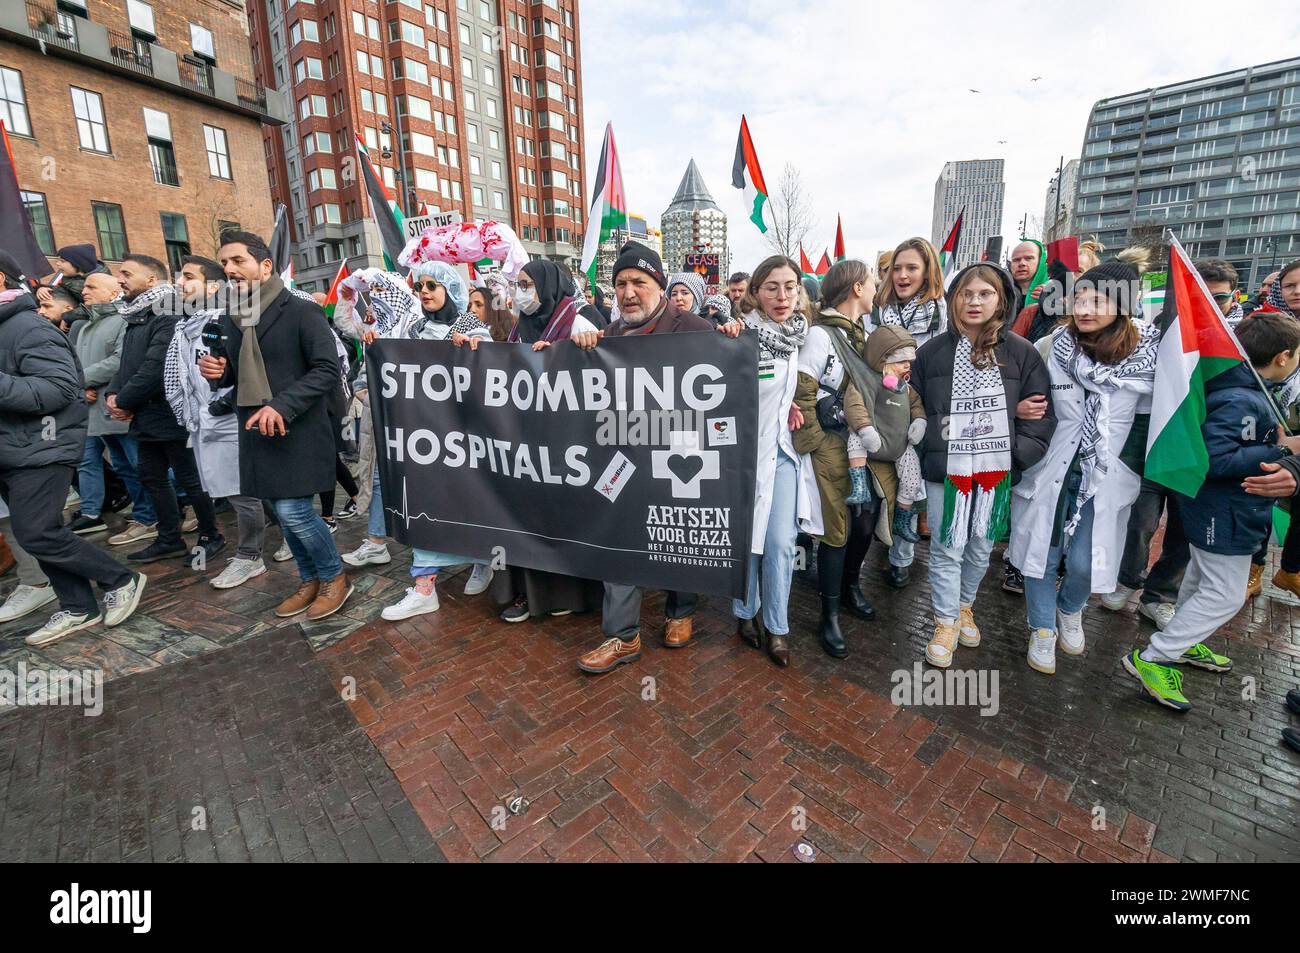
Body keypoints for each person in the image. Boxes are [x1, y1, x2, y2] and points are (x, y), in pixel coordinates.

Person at [1122, 312, 1300, 711]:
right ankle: (1155, 657)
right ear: (1284, 356)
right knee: (1225, 595)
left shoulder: (1243, 388)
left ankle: (1183, 642)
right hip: (1227, 511)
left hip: (1224, 510)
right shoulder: (1243, 397)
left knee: (1200, 581)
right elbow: (1216, 459)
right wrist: (1282, 450)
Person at [572, 241, 715, 675]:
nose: (628, 291)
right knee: (618, 531)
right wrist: (567, 351)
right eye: (620, 283)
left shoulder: (697, 329)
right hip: (625, 455)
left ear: (659, 283)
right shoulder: (607, 337)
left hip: (681, 454)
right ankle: (622, 635)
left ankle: (680, 610)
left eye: (639, 281)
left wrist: (732, 343)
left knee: (679, 531)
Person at [1010, 261, 1158, 676]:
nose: (1085, 308)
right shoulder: (1053, 347)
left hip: (1104, 479)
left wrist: (1131, 471)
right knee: (1042, 552)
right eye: (1080, 298)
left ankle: (1070, 608)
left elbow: (1151, 423)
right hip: (1052, 469)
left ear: (1125, 305)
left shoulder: (1148, 355)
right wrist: (1018, 409)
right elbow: (1024, 394)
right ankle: (1041, 629)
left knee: (1083, 562)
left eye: (1099, 300)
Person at [197, 231, 352, 621]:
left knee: (296, 512)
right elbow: (239, 371)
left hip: (297, 428)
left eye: (238, 260)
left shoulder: (301, 311)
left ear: (265, 266)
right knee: (283, 514)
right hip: (255, 430)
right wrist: (218, 372)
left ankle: (335, 578)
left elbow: (326, 370)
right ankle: (309, 580)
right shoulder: (233, 317)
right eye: (225, 263)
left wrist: (282, 405)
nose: (229, 269)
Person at [0, 249, 145, 646]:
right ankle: (78, 605)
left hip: (43, 446)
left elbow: (58, 390)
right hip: (14, 449)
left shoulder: (28, 328)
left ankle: (122, 578)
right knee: (37, 532)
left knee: (36, 532)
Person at [914, 264, 1055, 668]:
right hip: (947, 472)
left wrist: (1013, 456)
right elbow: (915, 409)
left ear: (1002, 300)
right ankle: (944, 622)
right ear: (953, 299)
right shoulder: (932, 353)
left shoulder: (1022, 352)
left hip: (995, 473)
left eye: (984, 294)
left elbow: (1041, 417)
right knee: (946, 548)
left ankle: (964, 607)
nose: (974, 302)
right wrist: (928, 452)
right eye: (965, 293)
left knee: (979, 549)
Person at [1105, 259, 1242, 625]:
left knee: (1183, 527)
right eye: (1199, 297)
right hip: (1152, 437)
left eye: (1219, 297)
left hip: (1202, 444)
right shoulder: (1158, 330)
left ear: (1235, 296)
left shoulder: (1238, 343)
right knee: (1140, 519)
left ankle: (1160, 595)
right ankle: (1125, 579)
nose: (1209, 305)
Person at [105, 254, 225, 565]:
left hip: (172, 414)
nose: (120, 279)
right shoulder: (137, 315)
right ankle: (169, 538)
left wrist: (123, 401)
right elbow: (126, 365)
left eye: (126, 273)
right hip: (146, 416)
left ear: (151, 280)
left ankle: (211, 535)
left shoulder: (168, 314)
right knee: (150, 476)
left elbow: (157, 368)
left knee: (190, 478)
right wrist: (113, 393)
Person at [730, 257, 819, 666]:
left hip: (782, 453)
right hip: (743, 455)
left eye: (789, 287)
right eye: (771, 288)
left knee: (781, 542)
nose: (782, 297)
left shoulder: (801, 336)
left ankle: (778, 627)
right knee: (746, 539)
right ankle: (746, 613)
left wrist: (791, 405)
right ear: (756, 292)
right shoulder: (739, 337)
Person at [165, 255, 271, 590]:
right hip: (204, 421)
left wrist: (222, 404)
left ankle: (250, 556)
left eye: (188, 278)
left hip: (226, 420)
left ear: (212, 287)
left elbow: (253, 372)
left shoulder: (230, 323)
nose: (179, 284)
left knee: (240, 493)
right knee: (244, 490)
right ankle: (297, 533)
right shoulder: (186, 328)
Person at [794, 260, 879, 658]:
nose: (877, 288)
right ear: (857, 288)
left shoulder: (866, 332)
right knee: (836, 530)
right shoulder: (819, 336)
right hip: (832, 446)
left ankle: (850, 586)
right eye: (872, 282)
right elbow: (802, 391)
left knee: (865, 523)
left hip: (861, 444)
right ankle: (828, 615)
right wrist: (815, 445)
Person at [870, 237, 948, 587]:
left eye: (911, 268)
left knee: (914, 481)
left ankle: (901, 555)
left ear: (927, 271)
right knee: (888, 479)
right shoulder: (878, 311)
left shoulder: (944, 314)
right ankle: (886, 539)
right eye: (897, 268)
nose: (902, 275)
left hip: (925, 409)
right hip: (886, 407)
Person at [67, 271, 158, 544]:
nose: (84, 291)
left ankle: (156, 514)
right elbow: (77, 364)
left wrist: (81, 380)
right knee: (125, 466)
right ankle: (145, 514)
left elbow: (121, 361)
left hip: (121, 408)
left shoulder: (124, 321)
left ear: (112, 293)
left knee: (141, 465)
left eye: (92, 286)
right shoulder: (84, 327)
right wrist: (82, 386)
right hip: (96, 412)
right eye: (84, 286)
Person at [842, 325, 926, 542]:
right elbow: (854, 404)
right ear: (883, 361)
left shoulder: (906, 388)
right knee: (855, 439)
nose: (907, 365)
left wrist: (919, 421)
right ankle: (859, 486)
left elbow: (916, 404)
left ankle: (902, 518)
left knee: (912, 478)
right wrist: (865, 428)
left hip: (900, 447)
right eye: (900, 361)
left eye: (909, 361)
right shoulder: (866, 381)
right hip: (873, 440)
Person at [1008, 239, 1049, 321]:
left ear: (1041, 261)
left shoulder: (1056, 292)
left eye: (1029, 258)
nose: (1022, 263)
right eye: (1016, 260)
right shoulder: (1000, 292)